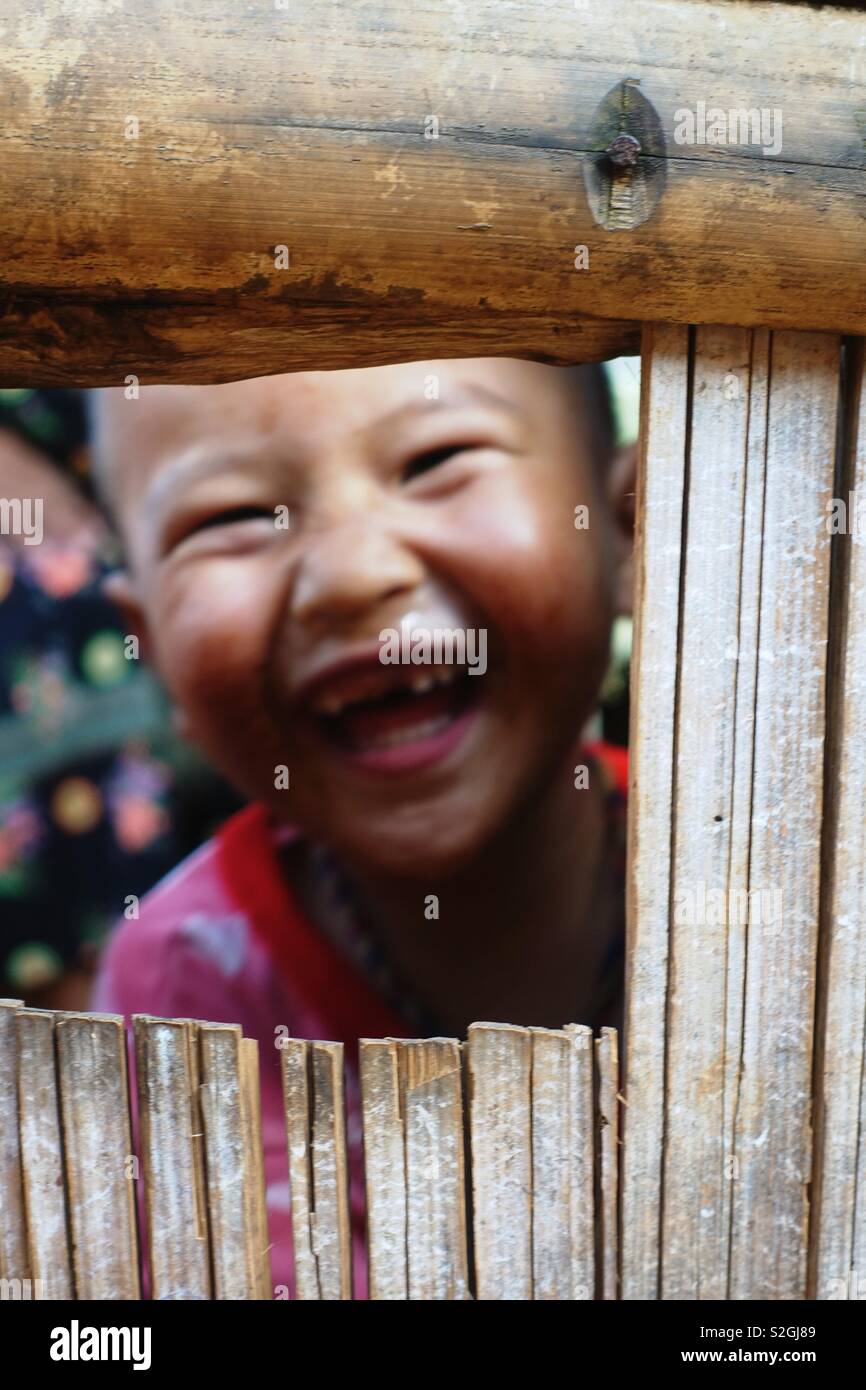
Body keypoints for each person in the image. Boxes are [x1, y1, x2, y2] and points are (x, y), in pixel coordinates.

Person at [89, 356, 636, 1296]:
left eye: (437, 459)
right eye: (230, 520)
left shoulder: (790, 907)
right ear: (156, 652)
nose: (350, 575)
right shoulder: (180, 992)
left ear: (629, 528)